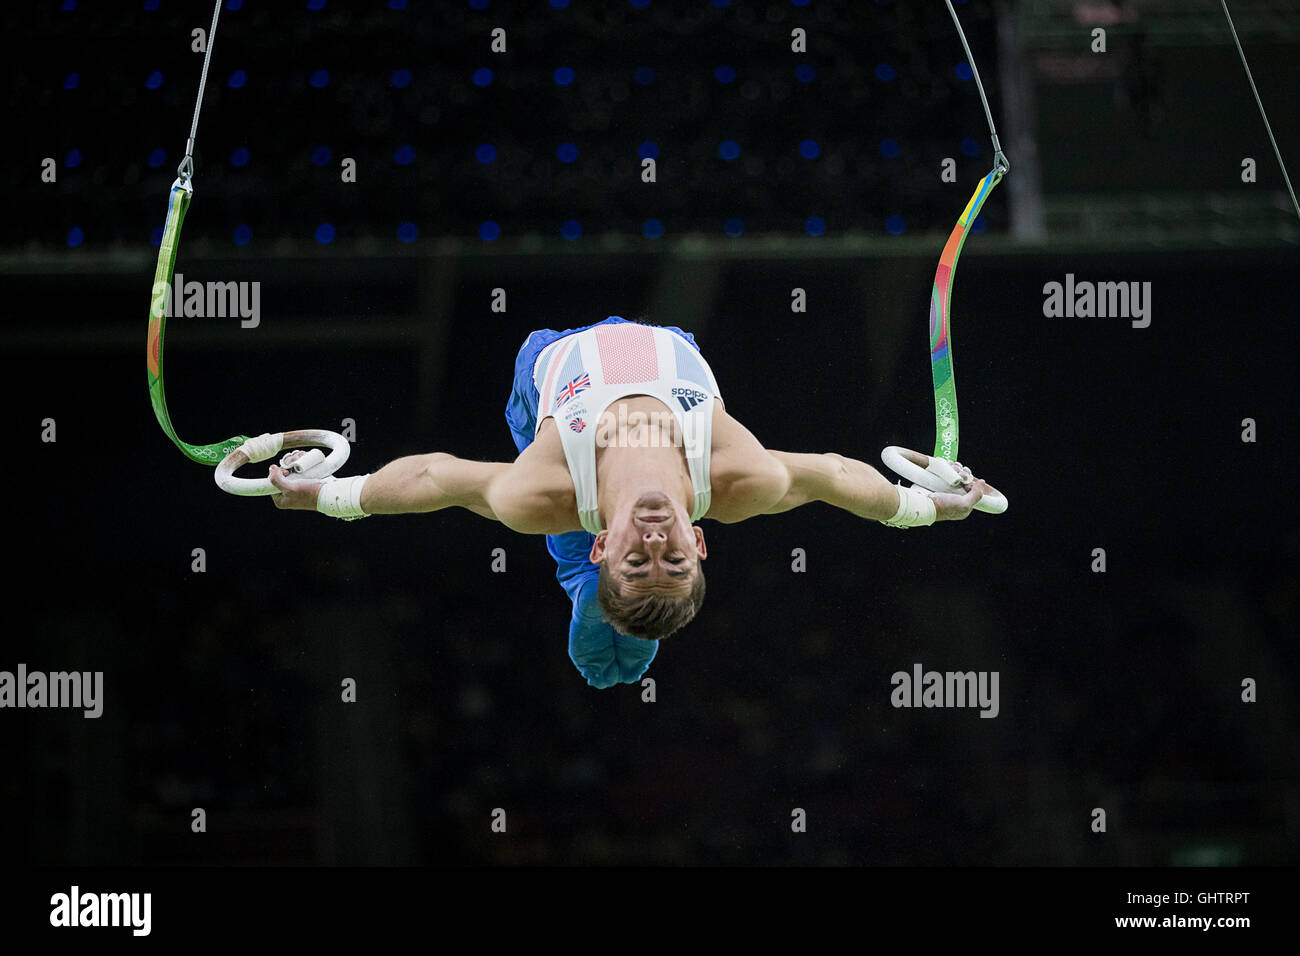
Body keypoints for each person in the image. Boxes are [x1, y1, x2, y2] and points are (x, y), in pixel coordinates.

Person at [267, 316, 989, 688]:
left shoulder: (538, 491)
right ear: (699, 543)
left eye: (636, 562)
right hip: (668, 343)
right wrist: (929, 506)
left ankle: (583, 584)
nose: (653, 542)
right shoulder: (741, 481)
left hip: (550, 370)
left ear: (607, 547)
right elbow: (835, 476)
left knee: (538, 510)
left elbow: (437, 478)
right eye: (672, 558)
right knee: (766, 467)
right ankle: (603, 605)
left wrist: (329, 493)